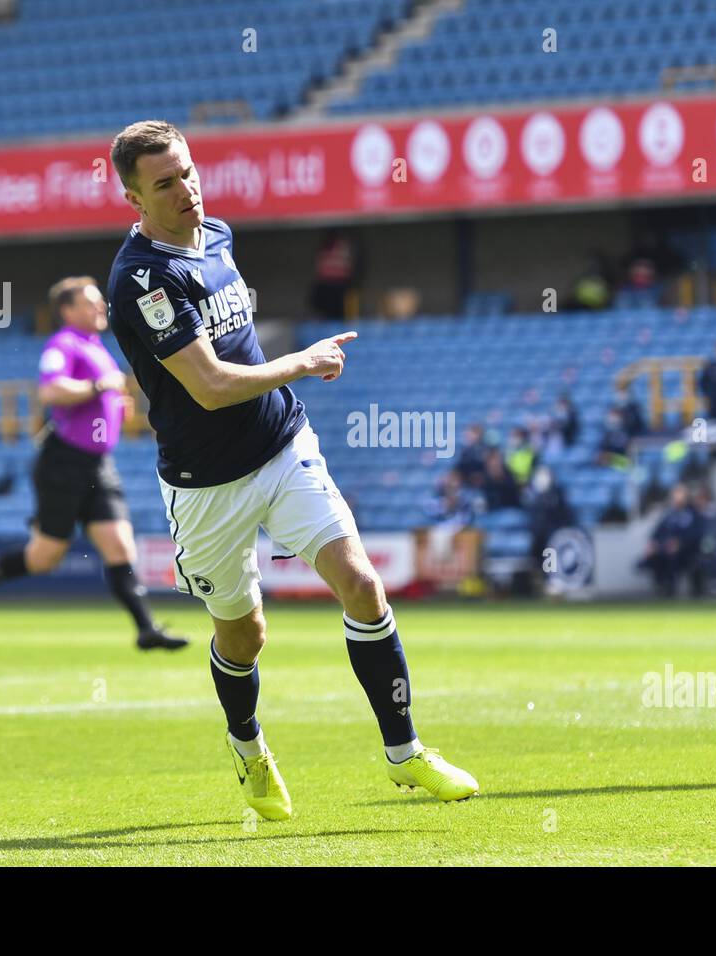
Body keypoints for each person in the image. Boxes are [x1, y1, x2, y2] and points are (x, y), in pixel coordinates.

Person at [104, 120, 477, 820]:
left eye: (188, 171)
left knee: (363, 584)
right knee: (244, 637)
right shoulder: (141, 280)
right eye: (165, 184)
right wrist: (303, 360)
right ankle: (246, 746)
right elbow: (210, 385)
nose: (186, 189)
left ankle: (406, 754)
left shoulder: (218, 235)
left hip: (282, 445)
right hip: (205, 483)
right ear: (133, 198)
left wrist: (289, 380)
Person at [0, 276, 186, 652]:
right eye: (90, 302)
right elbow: (51, 390)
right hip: (64, 461)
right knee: (45, 557)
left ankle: (146, 628)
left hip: (99, 464)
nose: (100, 307)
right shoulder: (62, 345)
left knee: (121, 547)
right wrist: (98, 389)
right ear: (67, 310)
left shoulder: (96, 347)